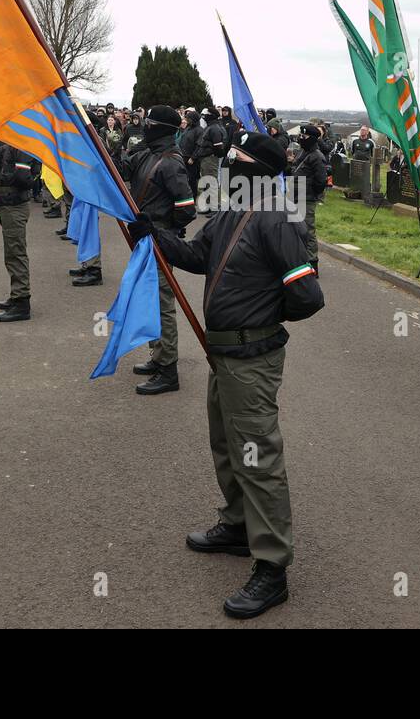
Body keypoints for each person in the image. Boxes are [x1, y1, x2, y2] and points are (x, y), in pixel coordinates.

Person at [131, 131, 324, 618]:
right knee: (227, 446)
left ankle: (273, 567)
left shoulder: (279, 217)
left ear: (257, 169)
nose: (228, 165)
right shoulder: (233, 211)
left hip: (250, 357)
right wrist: (155, 236)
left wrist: (257, 320)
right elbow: (198, 256)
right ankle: (238, 525)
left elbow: (307, 297)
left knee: (258, 458)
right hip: (222, 356)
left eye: (236, 159)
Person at [122, 106, 197, 395]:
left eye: (150, 123)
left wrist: (165, 231)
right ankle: (157, 354)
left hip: (158, 240)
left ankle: (169, 369)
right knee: (149, 300)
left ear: (163, 128)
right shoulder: (145, 153)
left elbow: (186, 209)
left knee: (162, 303)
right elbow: (122, 170)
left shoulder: (171, 162)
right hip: (143, 239)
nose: (145, 126)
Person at [0, 123, 36, 322]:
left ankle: (21, 302)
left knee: (16, 253)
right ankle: (16, 295)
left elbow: (24, 179)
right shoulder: (10, 147)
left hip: (15, 206)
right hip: (8, 206)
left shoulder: (23, 148)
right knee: (11, 253)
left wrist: (9, 175)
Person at [291, 124, 328, 272]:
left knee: (307, 230)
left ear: (312, 139)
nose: (301, 138)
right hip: (295, 195)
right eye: (301, 135)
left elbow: (321, 181)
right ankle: (298, 259)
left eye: (304, 137)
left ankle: (312, 262)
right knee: (295, 229)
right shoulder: (302, 152)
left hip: (306, 198)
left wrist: (311, 193)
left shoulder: (317, 157)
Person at [195, 109, 226, 214]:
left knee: (211, 182)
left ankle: (215, 207)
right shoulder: (211, 127)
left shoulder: (215, 128)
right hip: (206, 158)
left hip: (210, 158)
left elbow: (218, 146)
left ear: (212, 116)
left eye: (206, 115)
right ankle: (209, 206)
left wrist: (214, 155)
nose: (204, 117)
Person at [350, 125, 376, 203]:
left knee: (365, 179)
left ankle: (365, 193)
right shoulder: (355, 141)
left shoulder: (371, 142)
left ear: (367, 132)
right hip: (356, 163)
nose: (362, 131)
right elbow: (352, 151)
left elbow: (373, 153)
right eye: (361, 130)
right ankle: (355, 191)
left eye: (364, 130)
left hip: (366, 164)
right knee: (356, 178)